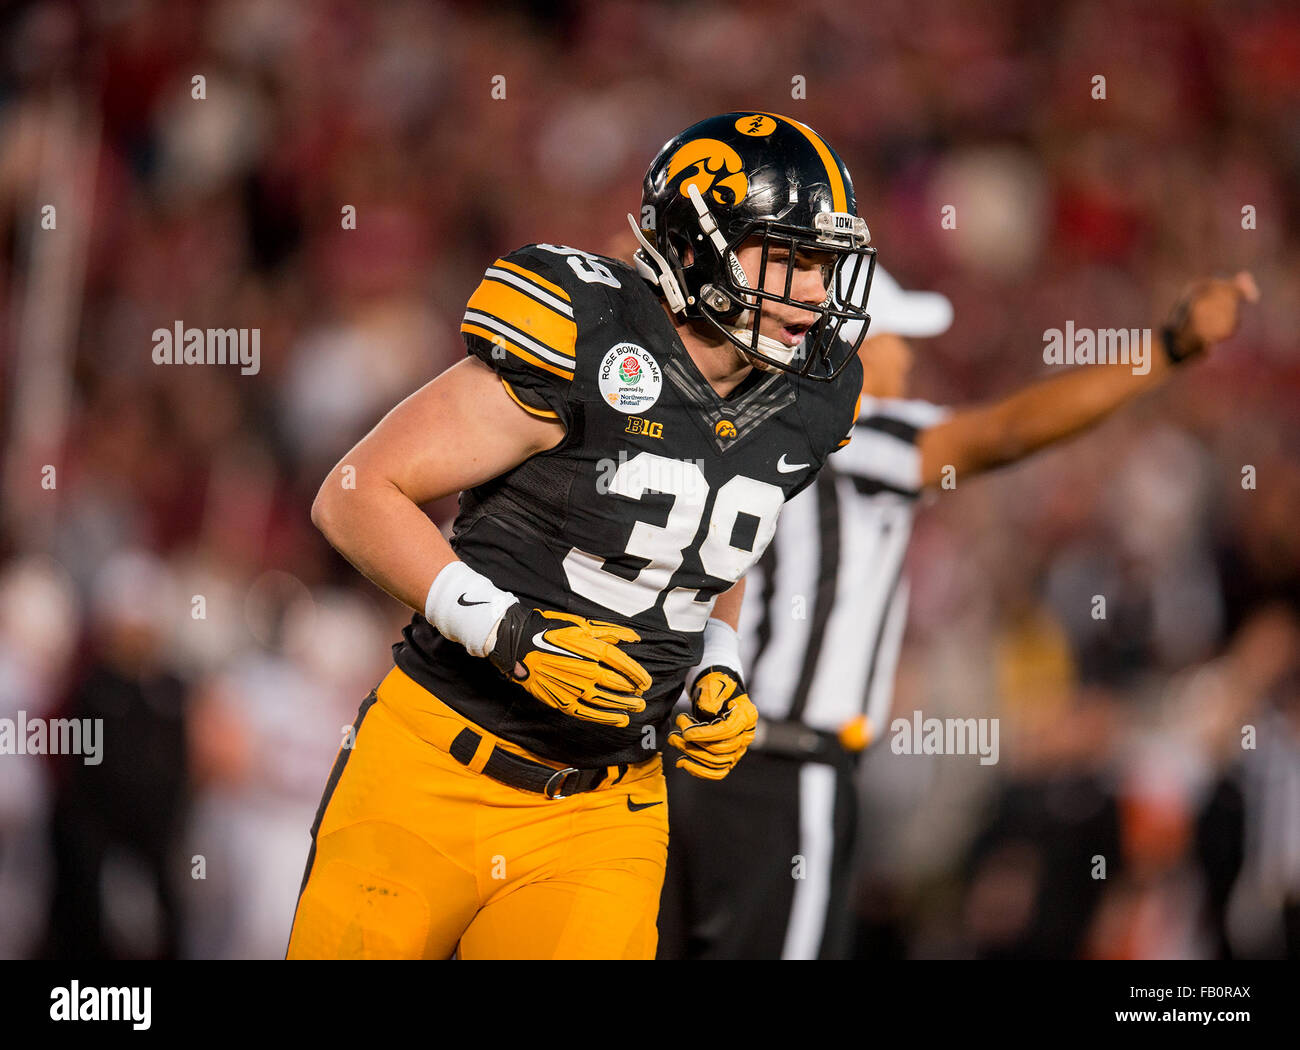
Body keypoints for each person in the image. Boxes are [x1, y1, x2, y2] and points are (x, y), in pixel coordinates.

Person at [286, 111, 879, 959]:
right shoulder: (588, 332)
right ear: (698, 245)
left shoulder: (809, 396)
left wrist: (720, 663)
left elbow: (715, 541)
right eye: (794, 259)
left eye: (826, 266)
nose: (817, 294)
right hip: (433, 768)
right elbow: (353, 493)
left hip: (606, 811)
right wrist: (508, 633)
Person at [657, 266, 1260, 959]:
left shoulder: (734, 420)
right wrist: (1166, 350)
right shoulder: (850, 436)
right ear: (852, 347)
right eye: (897, 339)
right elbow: (1002, 433)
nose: (910, 359)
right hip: (784, 771)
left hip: (690, 760)